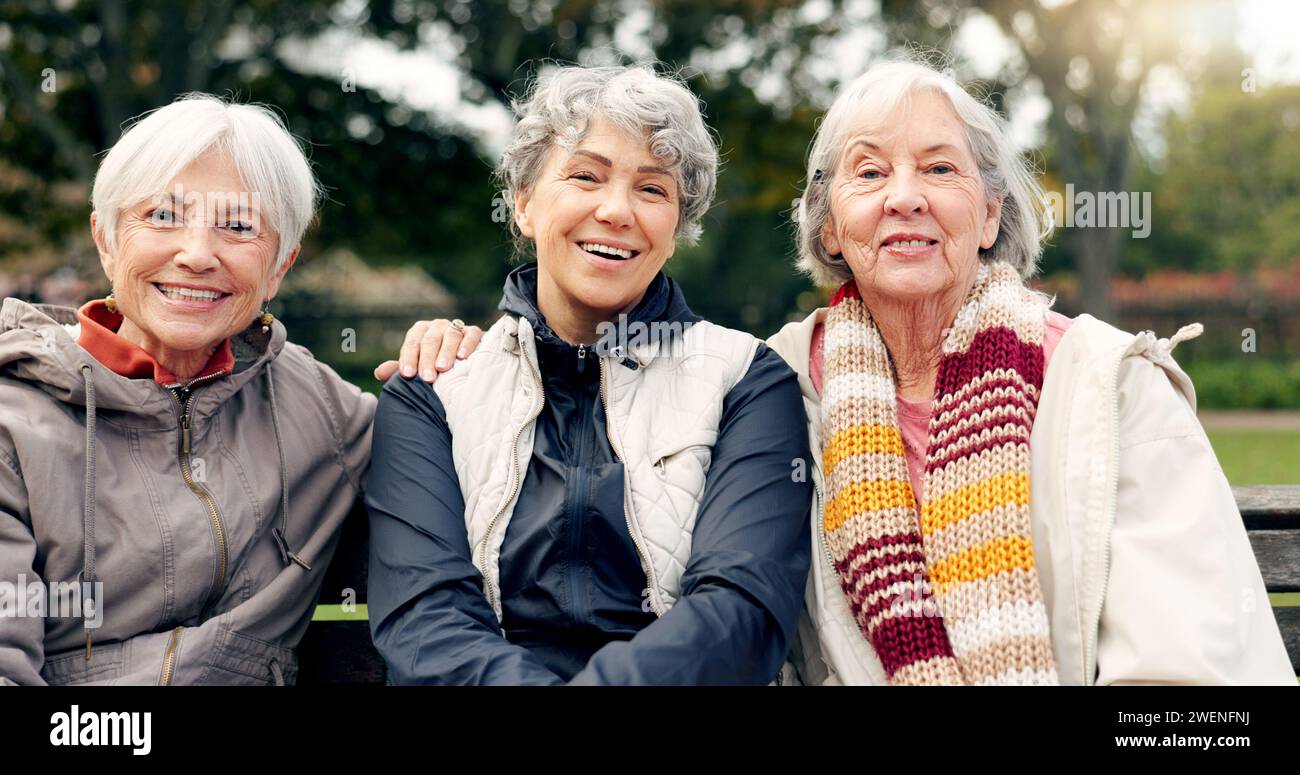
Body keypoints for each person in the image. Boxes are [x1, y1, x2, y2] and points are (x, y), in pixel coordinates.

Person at [418, 58, 1295, 685]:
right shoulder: (785, 379)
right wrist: (474, 344)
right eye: (869, 172)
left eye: (940, 169)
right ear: (830, 227)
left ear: (990, 213)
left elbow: (1187, 675)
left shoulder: (1109, 387)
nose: (904, 196)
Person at [364, 64, 813, 685]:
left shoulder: (748, 381)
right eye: (585, 176)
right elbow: (425, 618)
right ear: (523, 203)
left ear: (676, 229)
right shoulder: (430, 393)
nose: (616, 210)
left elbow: (741, 609)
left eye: (652, 190)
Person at [0, 94, 379, 685]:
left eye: (238, 226)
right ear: (106, 240)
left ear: (280, 265)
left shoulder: (326, 413)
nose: (198, 254)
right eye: (163, 216)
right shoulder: (12, 423)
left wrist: (449, 349)